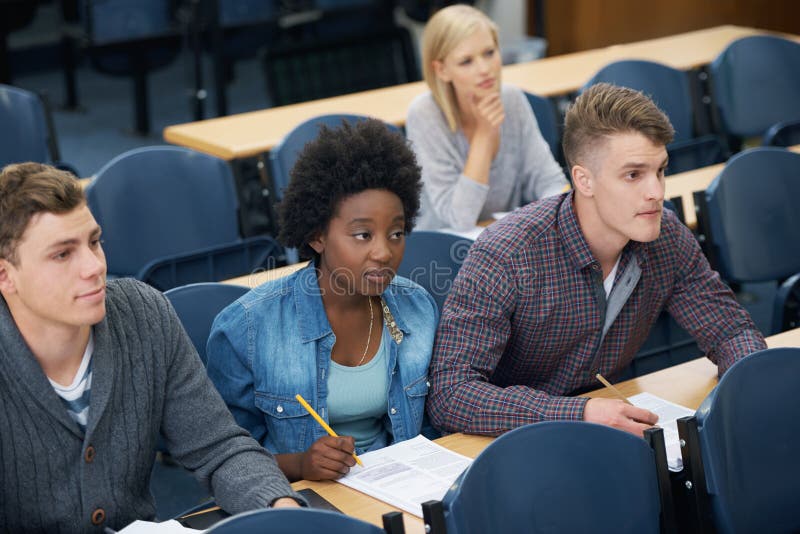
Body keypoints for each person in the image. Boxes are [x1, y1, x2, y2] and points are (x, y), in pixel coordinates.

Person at [427, 83, 767, 437]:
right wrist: (580, 413)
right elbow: (451, 394)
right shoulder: (507, 253)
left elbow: (731, 331)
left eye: (660, 171)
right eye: (633, 175)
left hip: (609, 435)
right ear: (583, 180)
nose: (656, 192)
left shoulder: (666, 236)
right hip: (509, 444)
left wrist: (752, 382)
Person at [0, 163, 302, 533]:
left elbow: (218, 448)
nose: (94, 266)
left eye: (94, 242)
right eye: (63, 254)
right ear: (5, 276)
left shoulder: (143, 313)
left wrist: (282, 511)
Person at [206, 119, 438, 482]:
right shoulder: (247, 328)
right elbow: (224, 455)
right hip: (304, 499)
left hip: (403, 488)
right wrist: (299, 465)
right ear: (317, 236)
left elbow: (431, 430)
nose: (384, 252)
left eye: (396, 233)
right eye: (363, 235)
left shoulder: (417, 309)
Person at [405, 4, 568, 231]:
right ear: (441, 70)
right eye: (466, 61)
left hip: (500, 239)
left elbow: (549, 180)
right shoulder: (424, 115)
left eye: (489, 53)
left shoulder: (511, 99)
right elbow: (459, 219)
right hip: (444, 247)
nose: (484, 69)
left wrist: (564, 214)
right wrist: (484, 136)